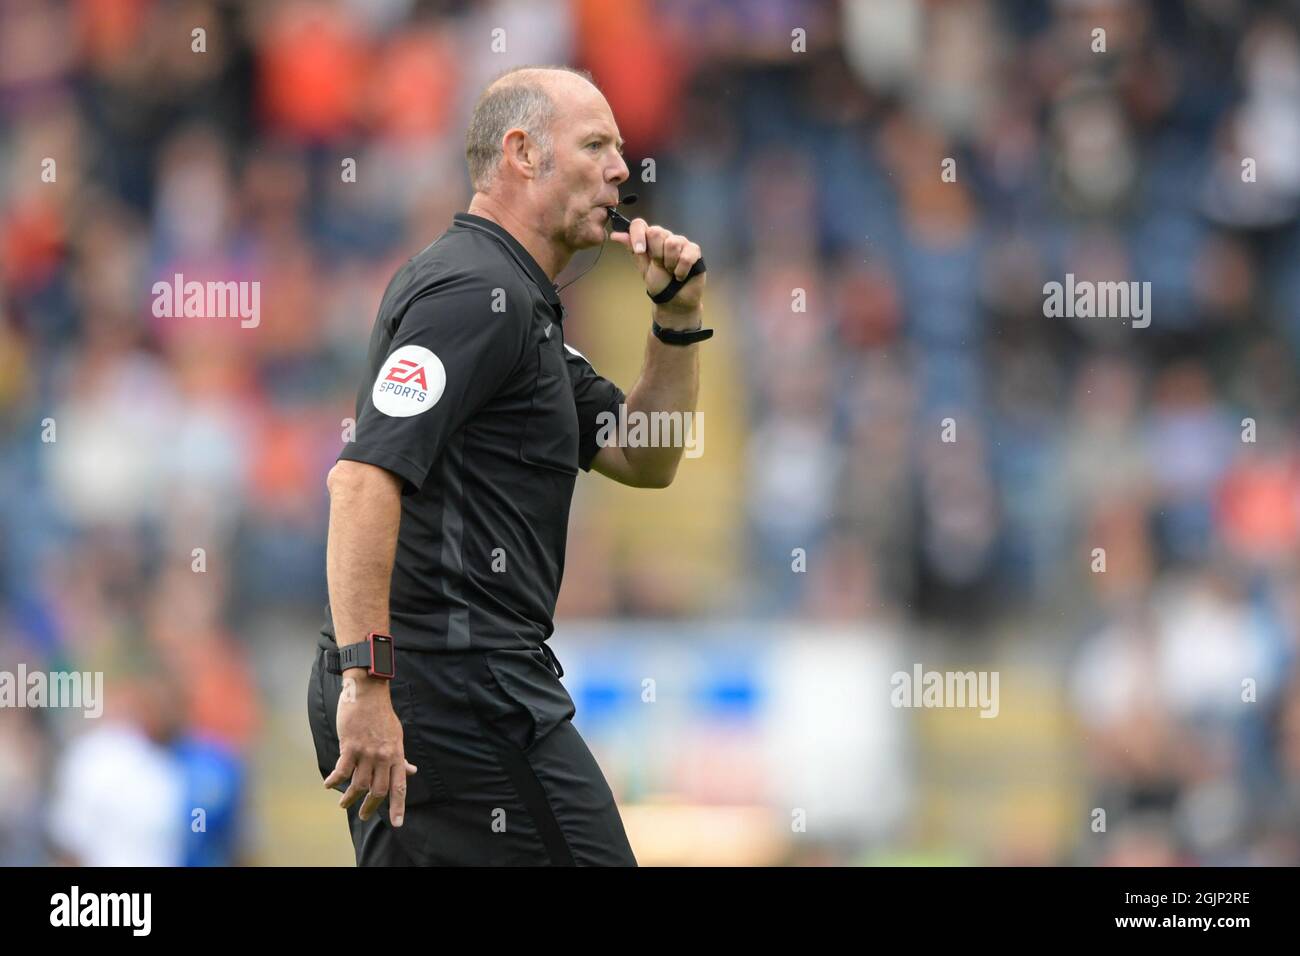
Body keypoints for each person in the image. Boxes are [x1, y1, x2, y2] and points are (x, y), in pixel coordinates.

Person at [306, 65, 711, 865]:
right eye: (596, 145)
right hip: (452, 688)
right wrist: (367, 684)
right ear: (522, 154)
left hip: (441, 685)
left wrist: (677, 319)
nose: (623, 169)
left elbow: (643, 455)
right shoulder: (473, 291)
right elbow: (360, 479)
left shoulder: (512, 302)